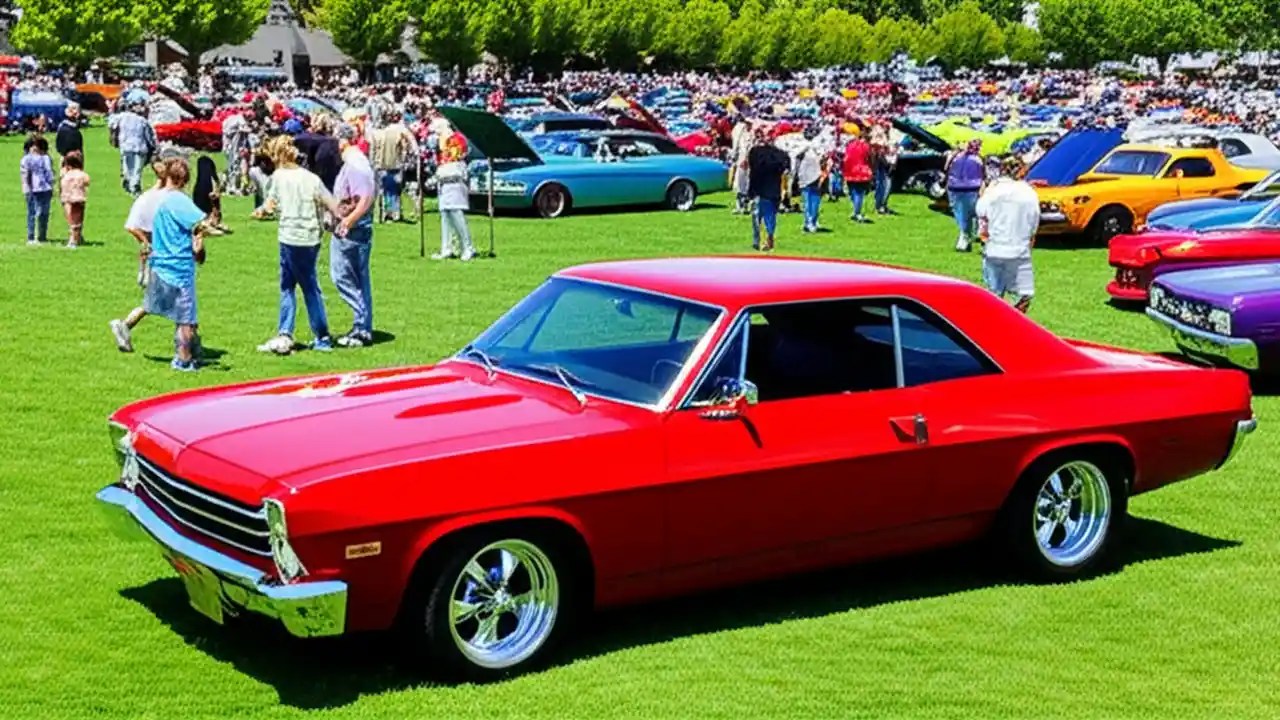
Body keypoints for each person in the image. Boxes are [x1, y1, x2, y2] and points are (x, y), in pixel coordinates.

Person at [253, 135, 344, 355]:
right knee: (300, 285)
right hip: (311, 237)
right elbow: (333, 204)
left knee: (299, 288)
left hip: (290, 236)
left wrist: (260, 211)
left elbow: (270, 205)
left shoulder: (279, 177)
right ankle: (292, 332)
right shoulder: (311, 178)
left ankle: (317, 335)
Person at [143, 158, 208, 372]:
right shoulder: (179, 201)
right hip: (179, 266)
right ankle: (183, 360)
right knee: (186, 318)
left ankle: (193, 351)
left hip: (161, 264)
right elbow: (201, 223)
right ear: (185, 179)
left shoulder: (158, 200)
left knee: (178, 315)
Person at [110, 159, 172, 352]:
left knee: (168, 299)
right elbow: (132, 226)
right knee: (170, 299)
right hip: (162, 255)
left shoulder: (160, 196)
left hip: (164, 254)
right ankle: (124, 325)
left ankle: (190, 341)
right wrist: (148, 243)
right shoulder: (153, 198)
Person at [330, 123, 377, 347]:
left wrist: (348, 220)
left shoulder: (355, 164)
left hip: (353, 228)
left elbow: (365, 197)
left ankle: (361, 323)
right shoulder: (357, 162)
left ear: (343, 141)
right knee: (358, 278)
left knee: (343, 276)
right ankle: (363, 325)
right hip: (356, 225)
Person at [976, 156, 1040, 314]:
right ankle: (1015, 322)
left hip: (995, 248)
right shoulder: (1029, 192)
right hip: (1020, 249)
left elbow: (980, 211)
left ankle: (995, 323)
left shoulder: (994, 190)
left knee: (994, 293)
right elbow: (1034, 221)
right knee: (1022, 295)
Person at [432, 117, 476, 261]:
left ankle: (467, 247)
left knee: (457, 213)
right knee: (445, 215)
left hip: (454, 180)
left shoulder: (456, 139)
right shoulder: (441, 143)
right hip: (444, 182)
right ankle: (447, 248)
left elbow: (453, 159)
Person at [746, 127, 790, 252]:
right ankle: (766, 238)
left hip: (759, 189)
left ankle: (758, 240)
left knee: (757, 216)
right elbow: (785, 170)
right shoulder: (781, 155)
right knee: (768, 217)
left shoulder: (754, 152)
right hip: (771, 190)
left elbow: (751, 168)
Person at [371, 110, 418, 222]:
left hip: (382, 164)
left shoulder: (382, 131)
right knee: (395, 190)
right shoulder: (401, 130)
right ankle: (394, 212)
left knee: (385, 189)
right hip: (395, 164)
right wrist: (413, 153)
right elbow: (411, 142)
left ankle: (385, 213)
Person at [946, 139, 985, 252]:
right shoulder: (978, 159)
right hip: (966, 189)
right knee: (968, 215)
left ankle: (965, 239)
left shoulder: (957, 157)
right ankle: (966, 238)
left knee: (963, 216)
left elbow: (946, 168)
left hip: (961, 189)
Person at [111, 102, 156, 195]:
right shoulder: (143, 121)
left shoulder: (122, 117)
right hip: (139, 147)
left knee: (126, 164)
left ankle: (127, 179)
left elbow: (112, 124)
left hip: (125, 145)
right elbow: (148, 136)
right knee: (137, 168)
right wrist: (153, 146)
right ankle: (134, 187)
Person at [20, 134, 54, 245]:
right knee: (32, 212)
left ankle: (42, 235)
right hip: (32, 189)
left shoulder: (46, 158)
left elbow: (49, 173)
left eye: (38, 146)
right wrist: (27, 188)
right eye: (32, 146)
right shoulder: (26, 159)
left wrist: (52, 184)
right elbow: (25, 175)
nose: (35, 148)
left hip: (45, 189)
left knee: (44, 213)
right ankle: (31, 236)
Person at [842, 126, 874, 224]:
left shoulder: (849, 145)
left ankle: (855, 210)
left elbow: (846, 158)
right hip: (862, 171)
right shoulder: (866, 147)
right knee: (859, 193)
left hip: (850, 171)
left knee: (853, 192)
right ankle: (857, 212)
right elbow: (869, 159)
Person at [794, 128, 824, 233]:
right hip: (812, 176)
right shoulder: (817, 147)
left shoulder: (803, 148)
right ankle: (811, 222)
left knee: (809, 201)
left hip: (809, 177)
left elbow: (795, 162)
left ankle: (809, 222)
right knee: (812, 201)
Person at [192, 156, 229, 234]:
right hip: (205, 218)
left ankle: (210, 223)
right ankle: (209, 224)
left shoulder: (198, 187)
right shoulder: (209, 187)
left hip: (201, 216)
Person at [59, 151, 89, 248]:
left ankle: (73, 239)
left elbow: (60, 182)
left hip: (66, 199)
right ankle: (76, 239)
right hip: (79, 198)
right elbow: (87, 181)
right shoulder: (81, 174)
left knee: (70, 220)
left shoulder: (65, 173)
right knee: (77, 221)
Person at [870, 120, 897, 215]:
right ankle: (880, 205)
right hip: (882, 161)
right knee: (882, 184)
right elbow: (875, 147)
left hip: (890, 161)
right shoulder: (878, 134)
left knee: (886, 184)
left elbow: (895, 148)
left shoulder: (892, 134)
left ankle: (882, 204)